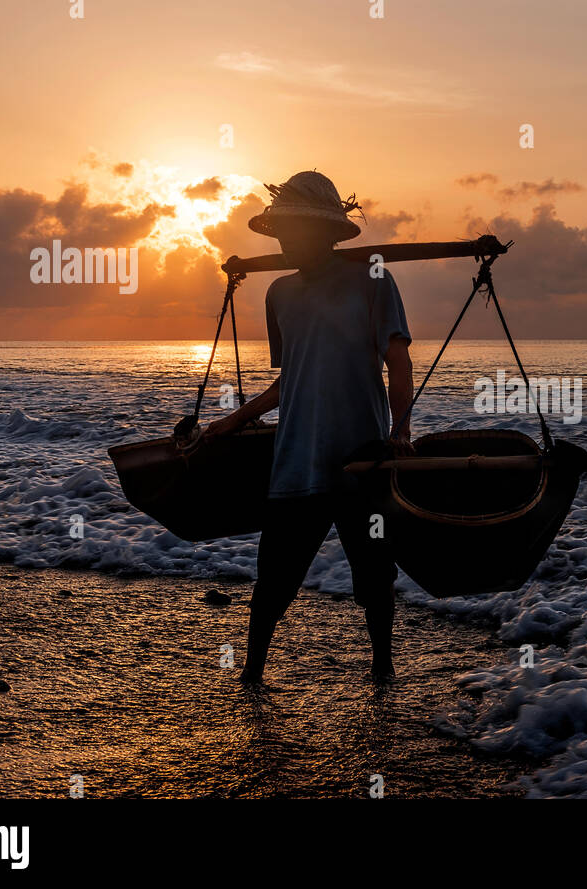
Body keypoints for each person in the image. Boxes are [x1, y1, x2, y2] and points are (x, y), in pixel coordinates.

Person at [205, 171, 413, 684]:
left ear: (326, 233)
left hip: (361, 460)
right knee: (274, 577)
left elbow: (399, 361)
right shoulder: (279, 294)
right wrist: (233, 420)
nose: (285, 241)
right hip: (296, 457)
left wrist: (400, 435)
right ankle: (251, 674)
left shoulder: (373, 280)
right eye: (280, 231)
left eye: (296, 230)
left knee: (374, 572)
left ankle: (382, 668)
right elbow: (290, 381)